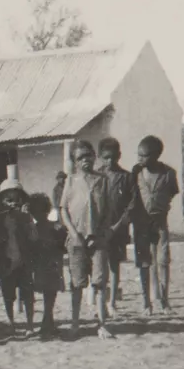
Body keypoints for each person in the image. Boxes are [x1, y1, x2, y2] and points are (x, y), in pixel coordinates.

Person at [60, 140, 114, 340]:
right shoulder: (71, 181)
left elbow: (108, 210)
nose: (85, 160)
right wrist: (74, 233)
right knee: (77, 284)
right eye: (80, 157)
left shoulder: (103, 180)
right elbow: (63, 209)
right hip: (76, 241)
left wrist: (102, 233)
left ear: (94, 157)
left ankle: (102, 324)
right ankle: (75, 324)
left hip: (97, 240)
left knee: (99, 282)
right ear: (75, 161)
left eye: (88, 156)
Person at [131, 135, 180, 315]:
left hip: (160, 223)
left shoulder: (168, 173)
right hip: (141, 225)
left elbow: (172, 193)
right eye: (138, 155)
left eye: (144, 156)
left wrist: (160, 207)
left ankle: (164, 301)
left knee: (163, 261)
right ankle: (147, 303)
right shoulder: (135, 173)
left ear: (156, 156)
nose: (140, 159)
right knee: (145, 263)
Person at [0, 178, 35, 336]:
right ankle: (10, 322)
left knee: (27, 294)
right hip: (6, 261)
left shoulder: (27, 217)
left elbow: (33, 237)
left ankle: (29, 324)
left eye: (16, 200)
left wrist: (27, 220)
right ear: (3, 201)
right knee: (8, 294)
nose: (12, 204)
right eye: (9, 200)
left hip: (24, 261)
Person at [98, 138, 135, 313]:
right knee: (99, 266)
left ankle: (112, 302)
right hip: (99, 229)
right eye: (106, 157)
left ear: (119, 156)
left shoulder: (126, 177)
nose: (110, 161)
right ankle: (99, 303)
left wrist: (118, 225)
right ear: (100, 157)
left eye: (113, 157)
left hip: (118, 230)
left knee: (114, 266)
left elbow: (131, 205)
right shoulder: (96, 176)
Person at [25, 192, 64, 339]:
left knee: (48, 294)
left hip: (47, 264)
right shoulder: (50, 227)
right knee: (49, 295)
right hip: (45, 264)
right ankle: (48, 322)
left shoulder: (51, 228)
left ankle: (47, 322)